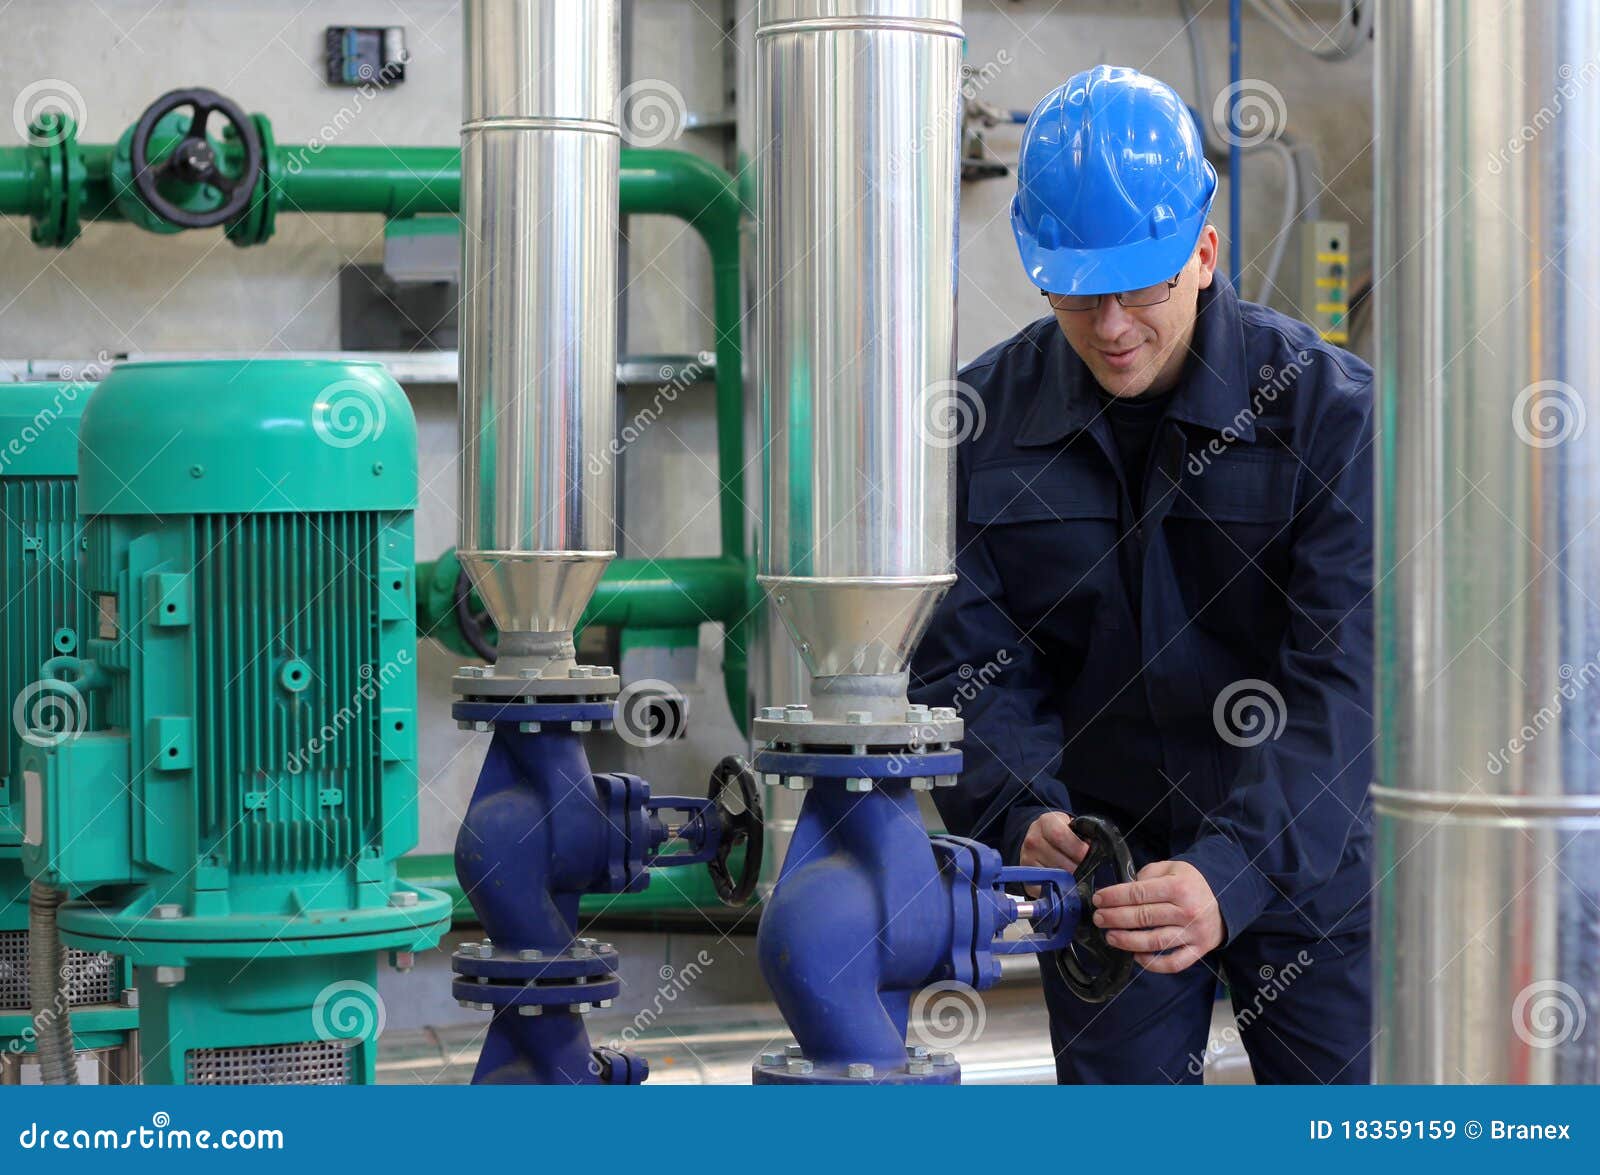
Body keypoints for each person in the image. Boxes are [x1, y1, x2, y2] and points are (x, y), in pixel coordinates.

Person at [910, 65, 1374, 1084]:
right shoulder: (980, 426)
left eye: (1141, 288)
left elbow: (1345, 687)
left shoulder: (1326, 418)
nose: (1112, 327)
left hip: (1301, 866)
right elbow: (966, 662)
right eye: (1078, 295)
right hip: (1105, 874)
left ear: (1203, 252)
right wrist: (1017, 806)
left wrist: (1234, 868)